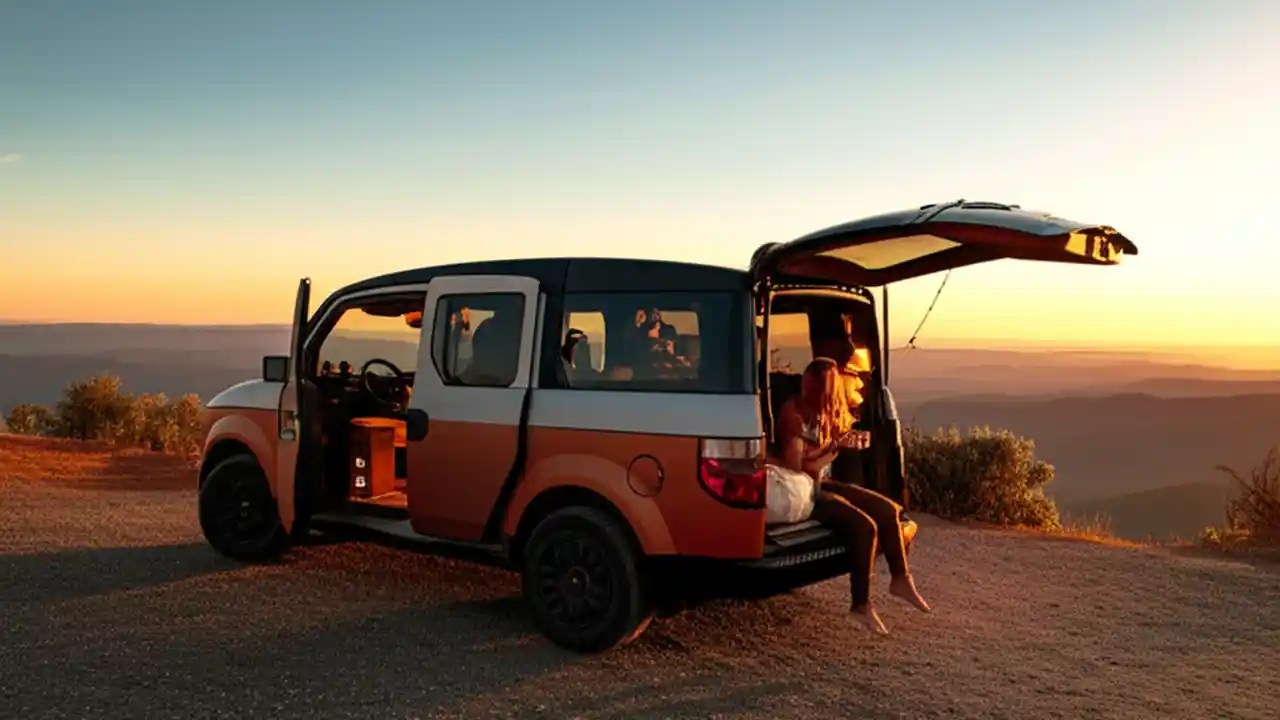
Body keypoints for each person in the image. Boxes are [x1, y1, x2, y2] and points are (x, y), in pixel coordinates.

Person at [771, 358, 930, 634]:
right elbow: (796, 467)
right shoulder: (794, 414)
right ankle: (860, 605)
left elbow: (815, 456)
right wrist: (833, 450)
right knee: (864, 527)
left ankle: (901, 578)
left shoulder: (822, 412)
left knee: (888, 510)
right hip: (805, 491)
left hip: (822, 483)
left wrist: (841, 442)